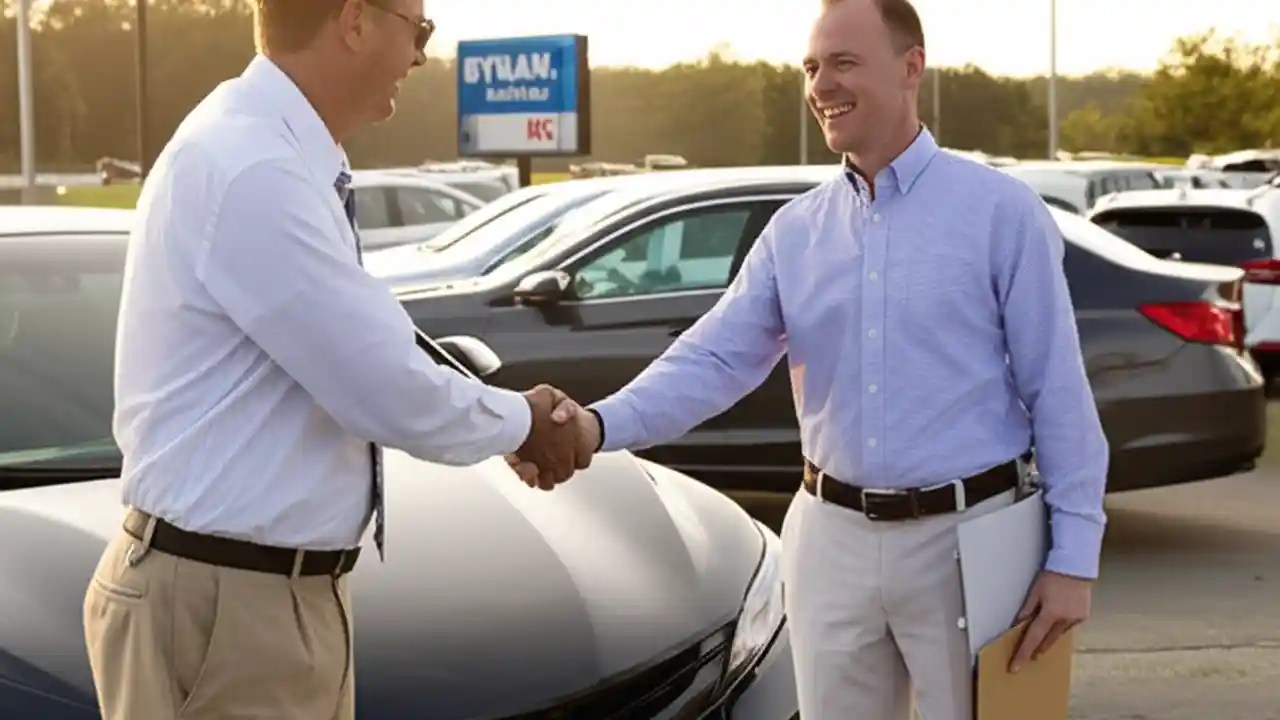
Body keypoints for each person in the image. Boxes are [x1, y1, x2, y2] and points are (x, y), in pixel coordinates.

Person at [526, 0, 1109, 717]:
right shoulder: (795, 232)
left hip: (973, 544)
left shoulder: (1000, 212)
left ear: (911, 67)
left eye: (843, 63)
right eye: (810, 67)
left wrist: (1073, 556)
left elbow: (1058, 390)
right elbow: (713, 360)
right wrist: (593, 427)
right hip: (829, 542)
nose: (821, 85)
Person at [82, 1, 585, 718]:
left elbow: (359, 347)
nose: (420, 57)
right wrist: (522, 422)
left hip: (256, 598)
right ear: (354, 20)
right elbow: (378, 383)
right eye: (419, 29)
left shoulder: (269, 151)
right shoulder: (252, 167)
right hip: (228, 609)